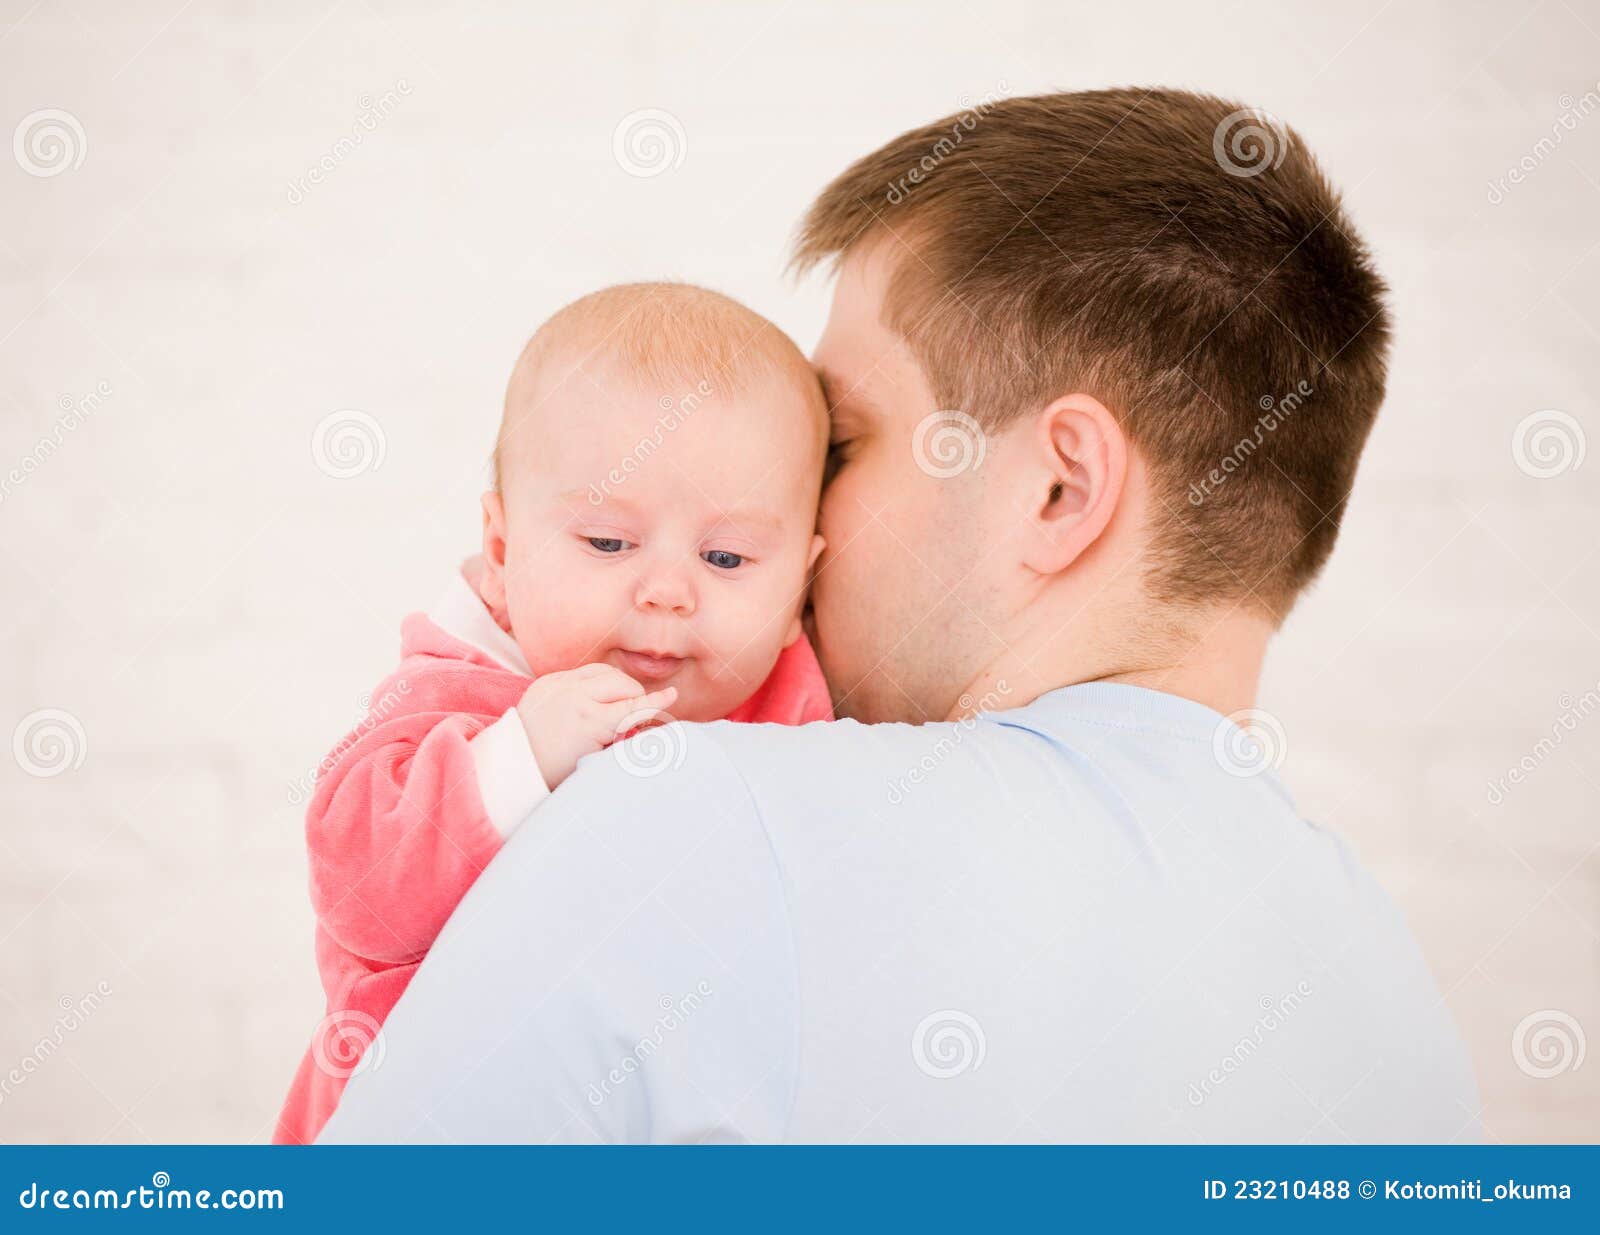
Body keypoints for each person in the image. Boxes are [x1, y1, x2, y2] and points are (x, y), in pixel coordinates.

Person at [317, 88, 1480, 1143]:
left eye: (843, 442)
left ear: (1058, 489)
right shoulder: (1394, 1001)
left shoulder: (695, 818)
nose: (801, 511)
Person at [276, 283, 832, 1143]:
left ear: (800, 584)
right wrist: (518, 756)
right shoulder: (456, 693)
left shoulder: (795, 709)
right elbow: (358, 893)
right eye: (608, 543)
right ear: (502, 554)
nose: (667, 590)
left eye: (726, 557)